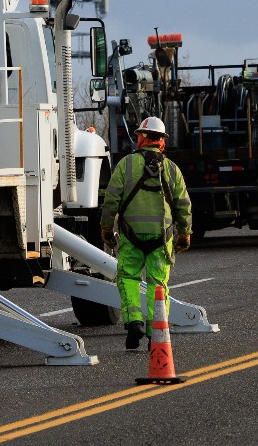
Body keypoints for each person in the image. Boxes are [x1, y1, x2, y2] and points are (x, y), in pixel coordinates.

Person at [100, 116, 192, 350]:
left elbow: (111, 200)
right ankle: (155, 333)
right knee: (158, 284)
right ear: (161, 142)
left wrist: (106, 227)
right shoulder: (172, 169)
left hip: (131, 238)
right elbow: (183, 205)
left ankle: (134, 323)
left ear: (142, 138)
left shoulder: (126, 165)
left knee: (129, 278)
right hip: (162, 240)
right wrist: (185, 234)